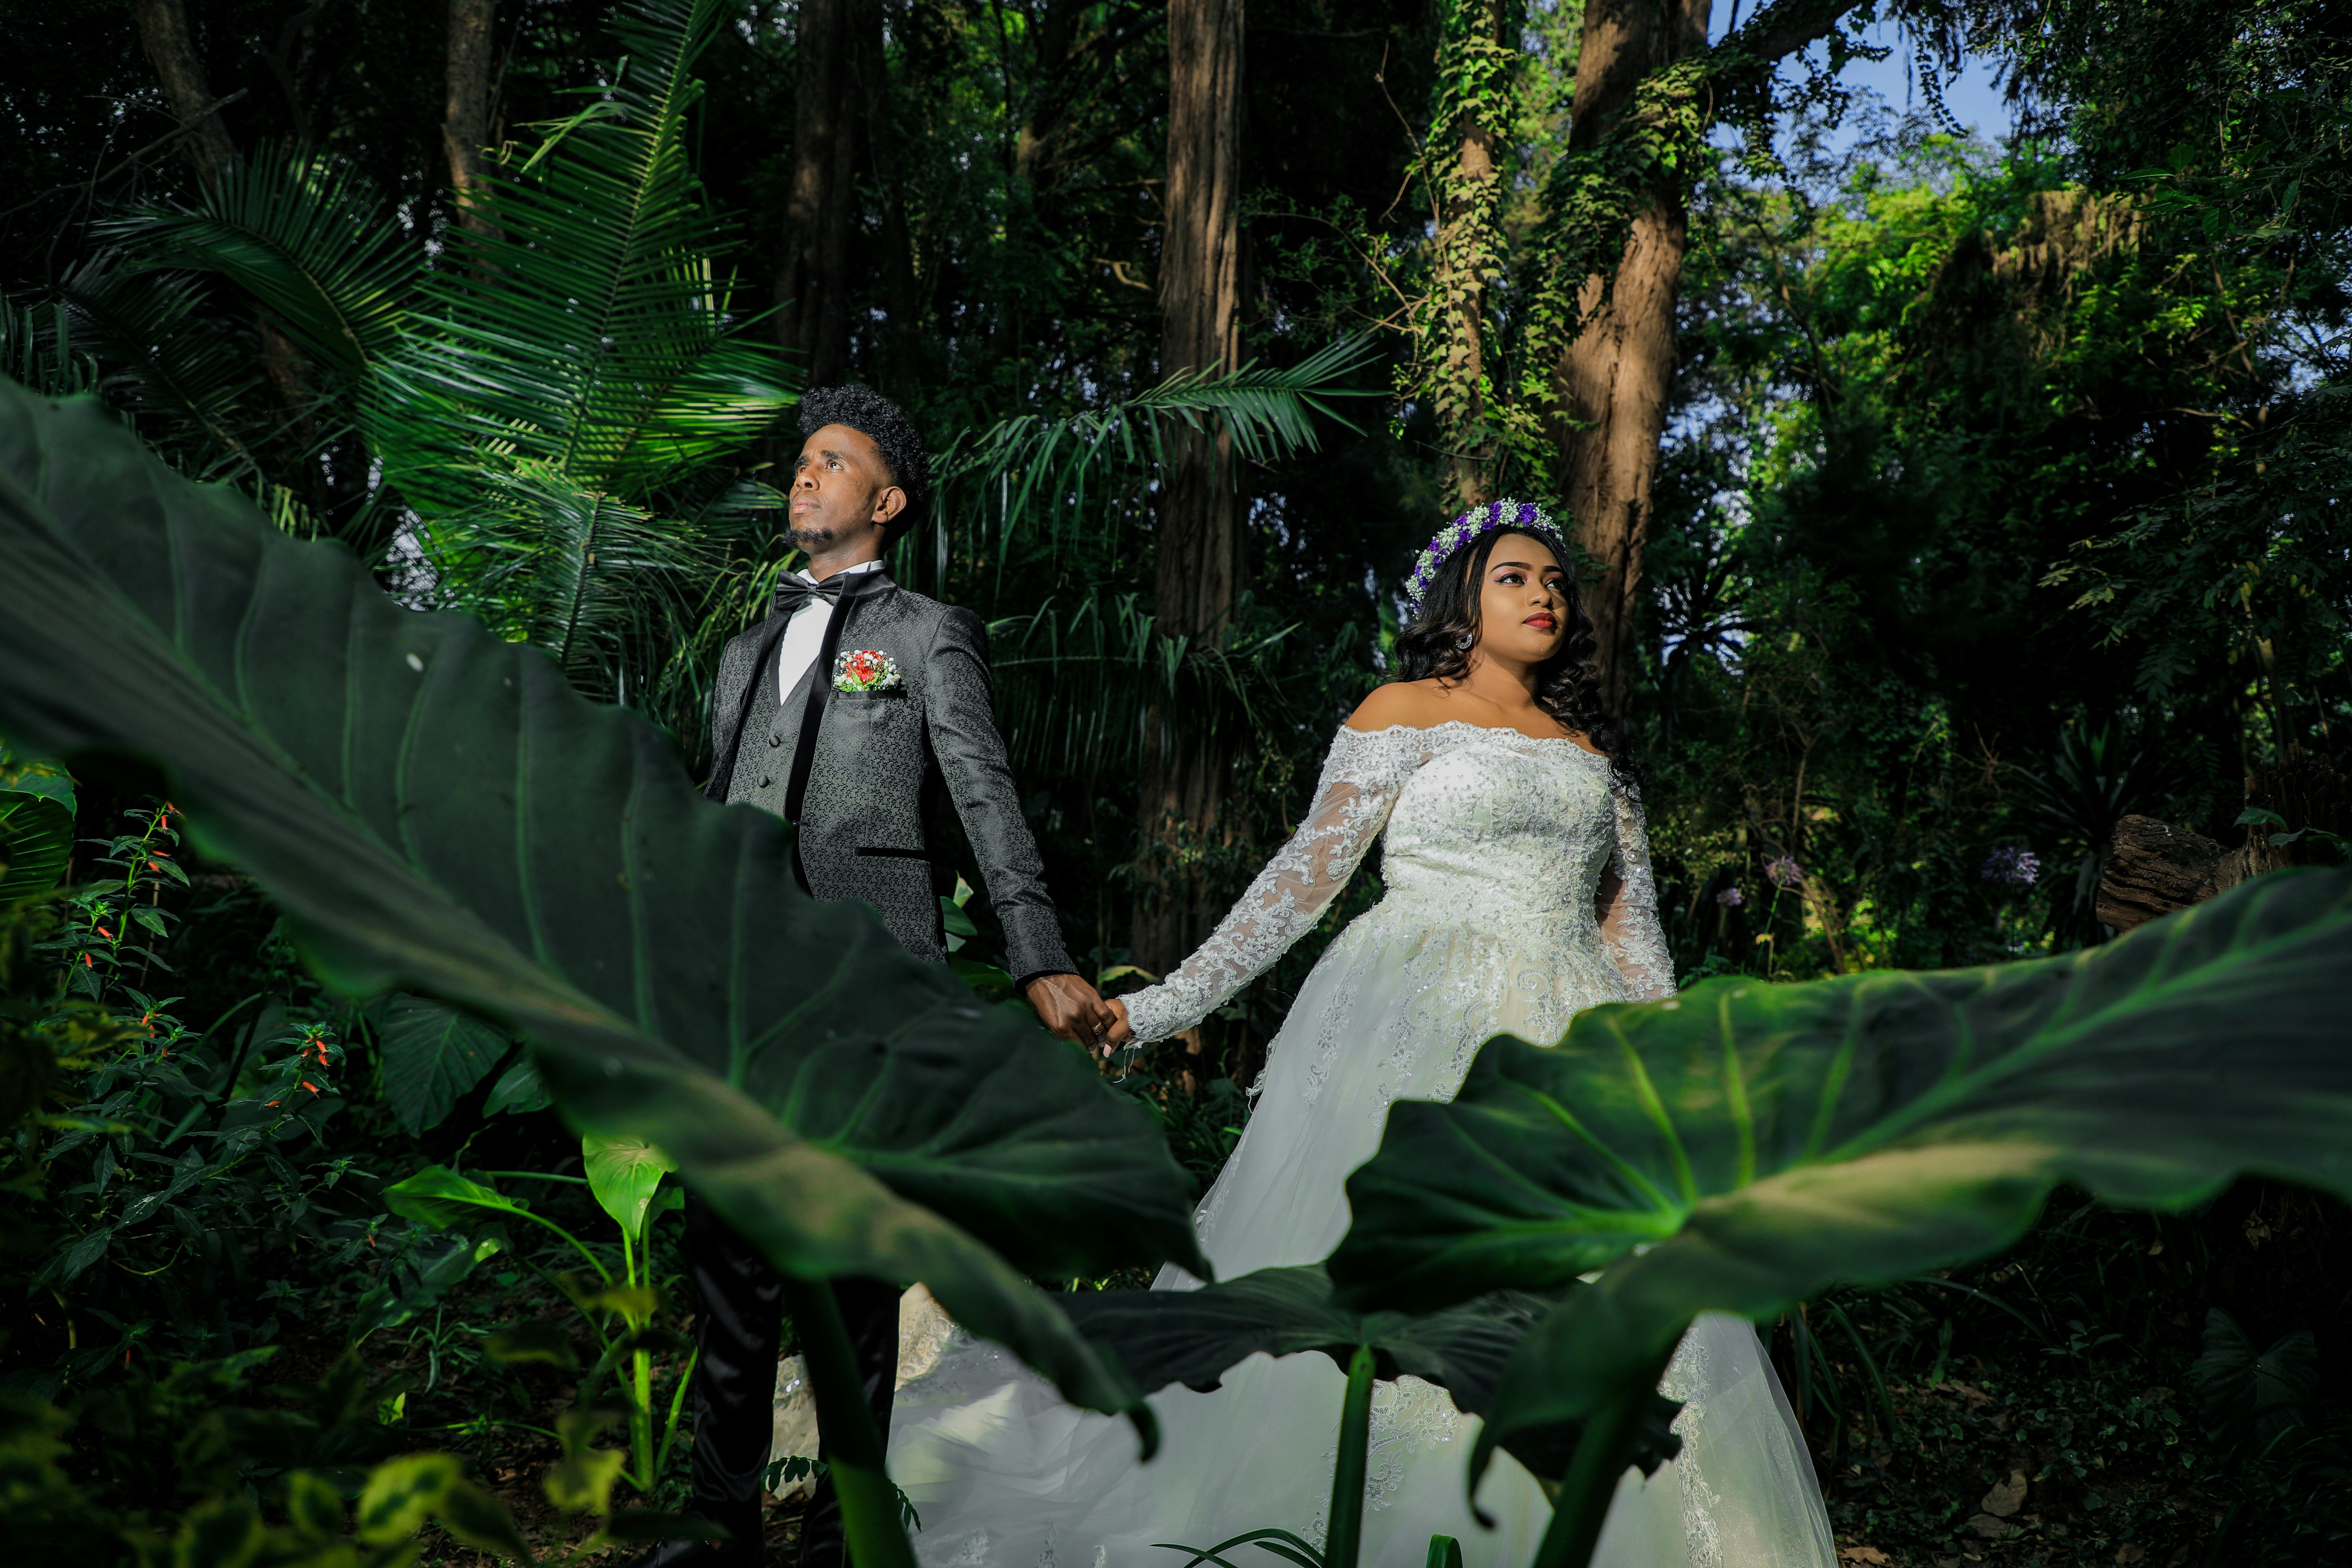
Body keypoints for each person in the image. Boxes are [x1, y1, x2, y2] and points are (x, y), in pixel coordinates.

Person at [885, 501, 1837, 1568]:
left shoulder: (1594, 761)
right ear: (1463, 600)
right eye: (1516, 577)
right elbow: (1299, 884)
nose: (1545, 596)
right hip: (1408, 1023)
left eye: (1557, 584)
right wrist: (1152, 1010)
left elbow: (1638, 937)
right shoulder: (1401, 710)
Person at [639, 386, 1118, 1568]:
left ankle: (835, 1538)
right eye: (800, 460)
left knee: (849, 1272)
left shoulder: (925, 632)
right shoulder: (746, 647)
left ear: (886, 501)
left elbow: (983, 794)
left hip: (865, 978)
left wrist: (1039, 953)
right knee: (731, 1262)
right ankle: (718, 1522)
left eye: (833, 462)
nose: (804, 476)